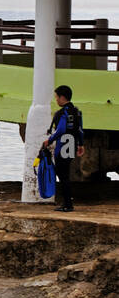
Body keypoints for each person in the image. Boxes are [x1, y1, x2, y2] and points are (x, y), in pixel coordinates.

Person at [45, 84, 84, 212]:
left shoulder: (63, 112)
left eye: (56, 97)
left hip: (62, 148)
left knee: (62, 176)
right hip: (72, 146)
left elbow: (60, 129)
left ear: (62, 97)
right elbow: (80, 130)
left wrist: (49, 140)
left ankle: (67, 204)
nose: (56, 100)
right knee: (65, 174)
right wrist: (81, 145)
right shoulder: (77, 111)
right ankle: (67, 202)